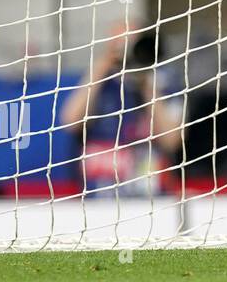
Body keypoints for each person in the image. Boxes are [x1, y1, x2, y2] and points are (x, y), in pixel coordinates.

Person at [58, 21, 183, 195]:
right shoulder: (100, 81)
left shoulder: (165, 82)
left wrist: (146, 84)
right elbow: (70, 120)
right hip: (101, 191)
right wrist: (102, 67)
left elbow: (172, 140)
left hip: (149, 192)